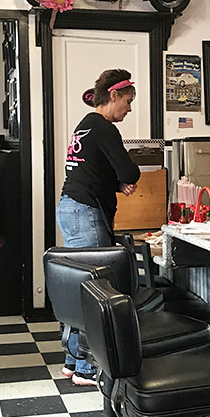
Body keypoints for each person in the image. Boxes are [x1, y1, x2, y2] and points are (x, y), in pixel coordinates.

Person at [55, 68, 140, 385]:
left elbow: (92, 170)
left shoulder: (84, 125)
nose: (129, 109)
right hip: (86, 212)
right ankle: (88, 368)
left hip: (72, 207)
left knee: (81, 287)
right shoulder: (103, 127)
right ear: (114, 95)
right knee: (96, 291)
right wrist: (125, 179)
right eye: (128, 101)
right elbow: (130, 171)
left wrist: (115, 185)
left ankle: (72, 360)